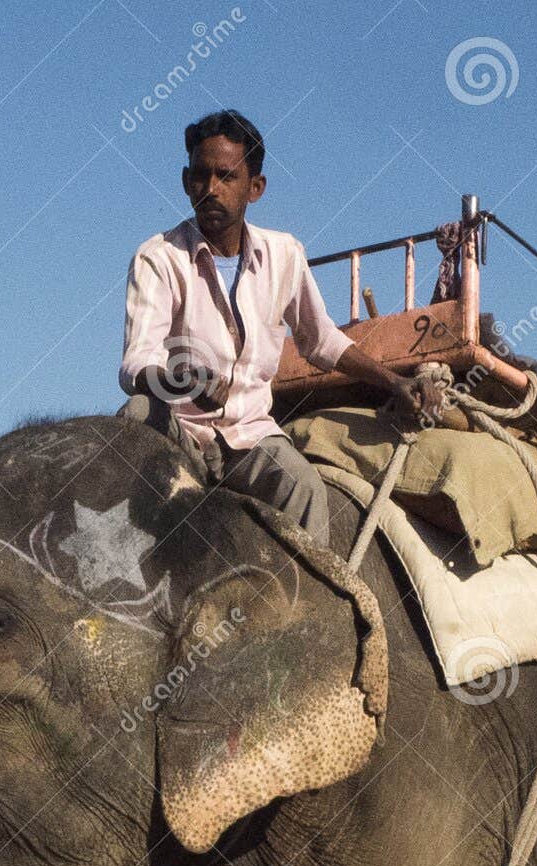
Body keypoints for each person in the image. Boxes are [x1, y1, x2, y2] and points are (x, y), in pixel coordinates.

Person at [119, 109, 439, 546]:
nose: (211, 189)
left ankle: (308, 611)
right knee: (135, 415)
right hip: (181, 430)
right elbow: (139, 359)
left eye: (226, 177)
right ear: (185, 180)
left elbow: (321, 340)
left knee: (304, 489)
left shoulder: (284, 255)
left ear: (255, 188)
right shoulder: (159, 258)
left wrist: (394, 382)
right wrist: (183, 380)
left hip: (250, 438)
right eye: (200, 175)